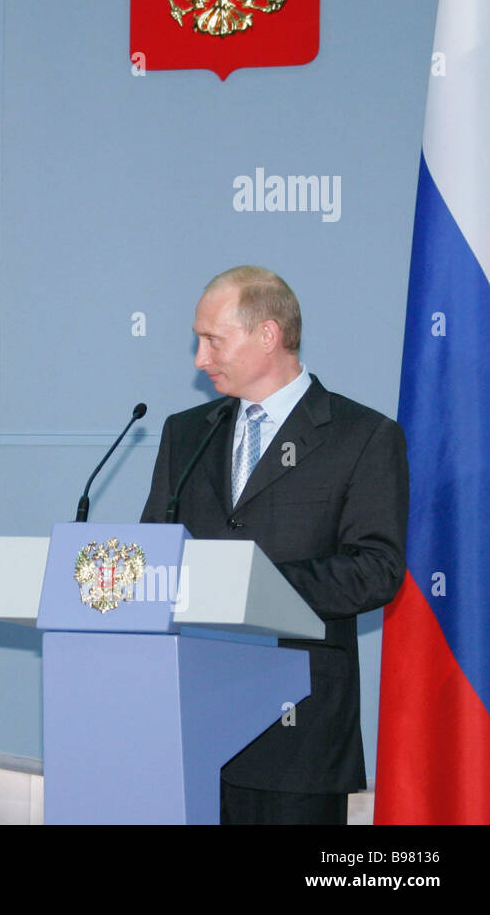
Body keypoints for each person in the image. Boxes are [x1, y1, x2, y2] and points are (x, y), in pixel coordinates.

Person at [141, 266, 408, 825]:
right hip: (192, 719)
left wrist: (252, 586)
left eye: (213, 340)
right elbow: (154, 553)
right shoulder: (186, 432)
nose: (199, 358)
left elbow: (377, 570)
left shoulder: (363, 436)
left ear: (268, 335)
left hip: (299, 729)